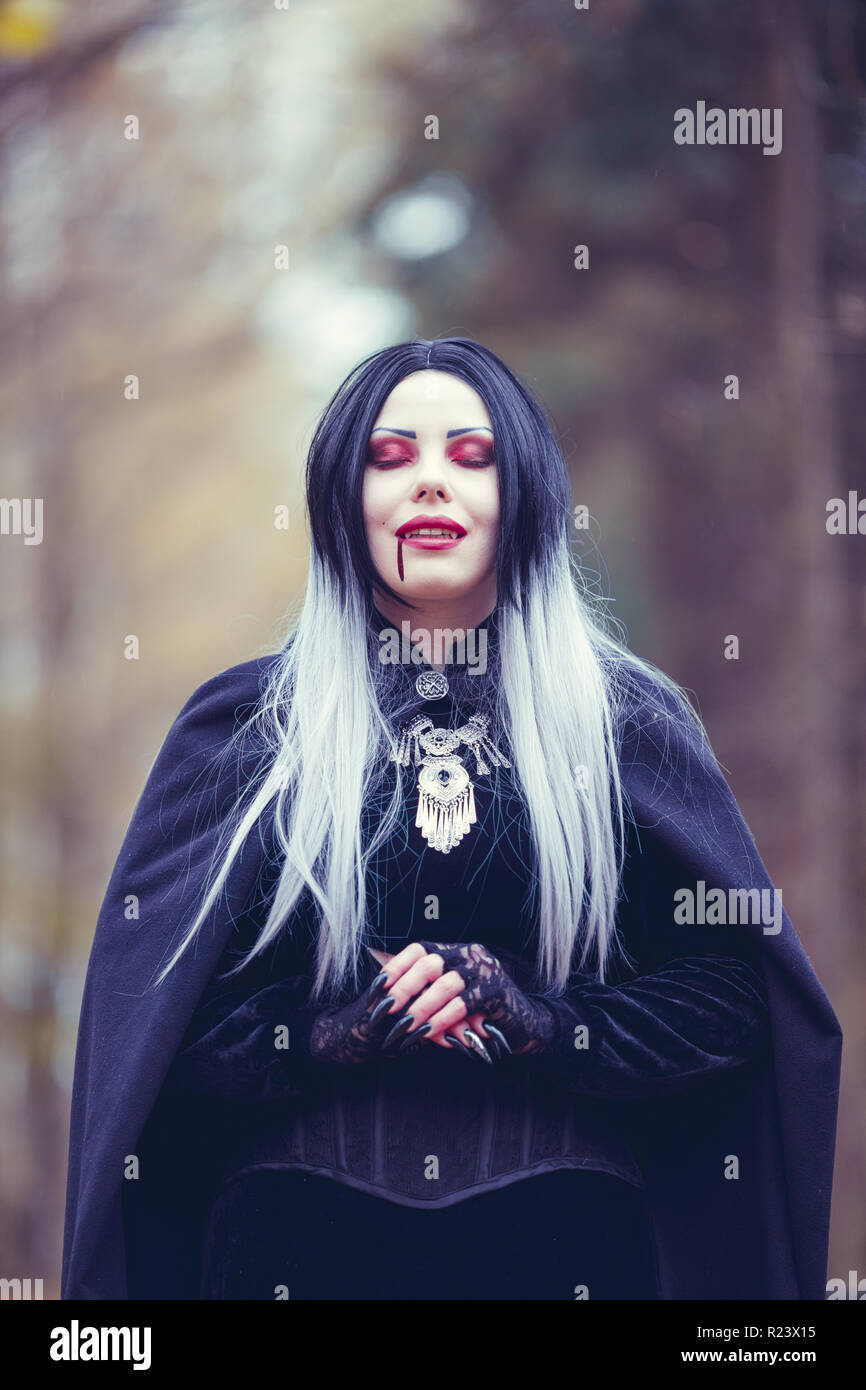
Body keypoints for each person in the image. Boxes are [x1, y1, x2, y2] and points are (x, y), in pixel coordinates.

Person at [61, 337, 841, 1301]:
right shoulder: (242, 732)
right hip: (288, 1258)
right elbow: (153, 1037)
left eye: (473, 457)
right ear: (342, 498)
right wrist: (325, 1034)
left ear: (528, 496)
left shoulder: (626, 726)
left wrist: (548, 1024)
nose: (431, 483)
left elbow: (737, 1003)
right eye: (391, 457)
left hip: (569, 1256)